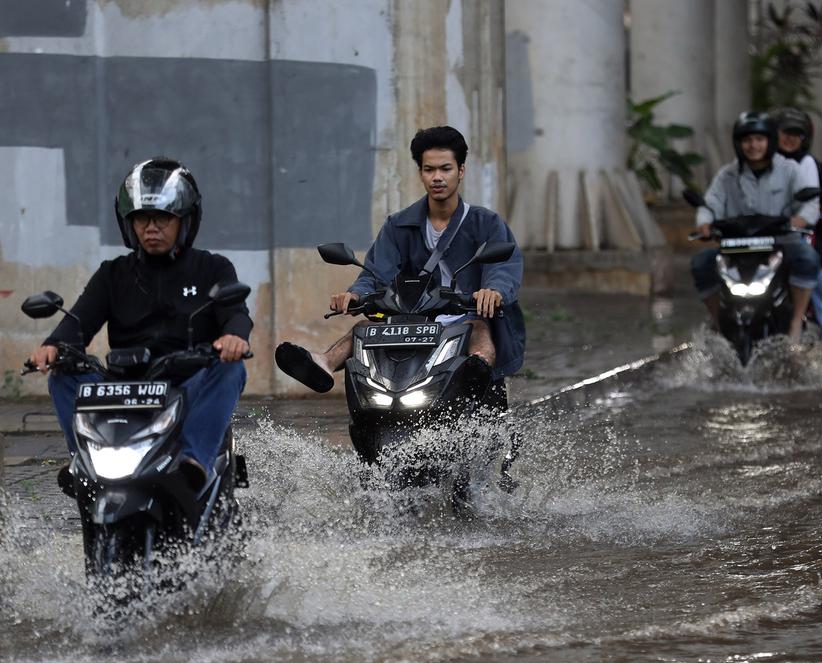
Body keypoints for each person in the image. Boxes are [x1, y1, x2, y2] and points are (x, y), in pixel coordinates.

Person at [27, 158, 253, 480]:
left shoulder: (213, 268)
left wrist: (234, 337)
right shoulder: (112, 273)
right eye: (141, 219)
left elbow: (236, 314)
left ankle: (194, 462)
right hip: (122, 389)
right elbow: (78, 321)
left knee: (231, 369)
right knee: (63, 373)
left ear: (185, 221)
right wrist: (52, 346)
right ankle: (83, 463)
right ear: (128, 224)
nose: (150, 227)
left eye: (162, 218)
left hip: (185, 384)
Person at [274, 126, 524, 404]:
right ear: (420, 173)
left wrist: (493, 290)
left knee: (478, 328)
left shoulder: (485, 222)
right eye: (429, 169)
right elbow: (377, 271)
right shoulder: (398, 224)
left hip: (464, 314)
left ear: (460, 171)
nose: (437, 177)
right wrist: (355, 294)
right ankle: (324, 361)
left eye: (446, 168)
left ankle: (476, 373)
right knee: (365, 326)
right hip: (414, 319)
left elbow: (503, 267)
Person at [691, 111, 822, 340]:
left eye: (759, 139)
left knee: (808, 258)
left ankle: (795, 324)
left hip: (781, 243)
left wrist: (799, 220)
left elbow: (810, 205)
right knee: (701, 262)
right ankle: (719, 324)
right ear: (738, 143)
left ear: (769, 140)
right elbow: (709, 205)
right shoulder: (727, 175)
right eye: (747, 140)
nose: (753, 146)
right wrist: (704, 224)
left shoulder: (790, 169)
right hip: (735, 247)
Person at [773, 107, 822, 332]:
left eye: (796, 134)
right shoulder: (759, 164)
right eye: (785, 132)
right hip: (763, 234)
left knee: (814, 256)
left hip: (801, 233)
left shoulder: (811, 166)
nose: (790, 139)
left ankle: (820, 310)